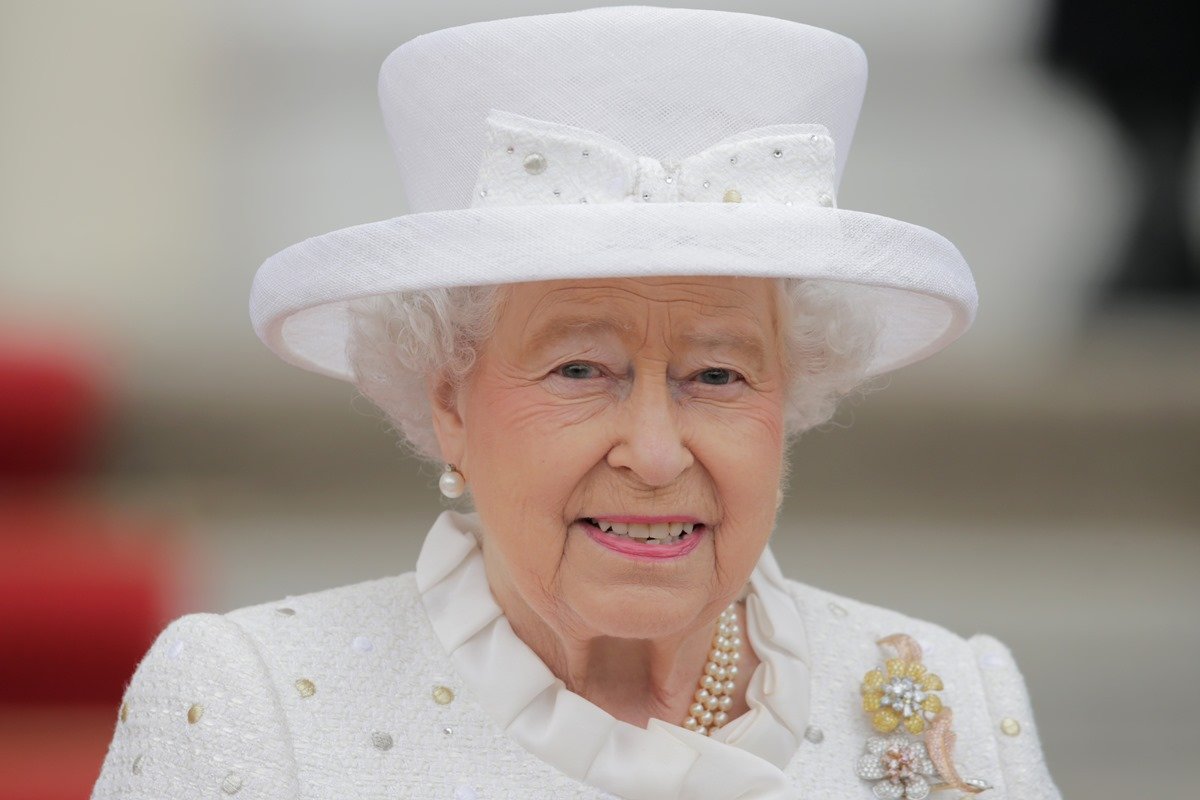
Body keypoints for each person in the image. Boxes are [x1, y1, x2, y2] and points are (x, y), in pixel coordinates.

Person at [91, 7, 1062, 799]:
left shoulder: (955, 698)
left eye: (717, 376)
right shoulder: (256, 707)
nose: (655, 452)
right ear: (450, 401)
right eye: (580, 370)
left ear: (790, 395)